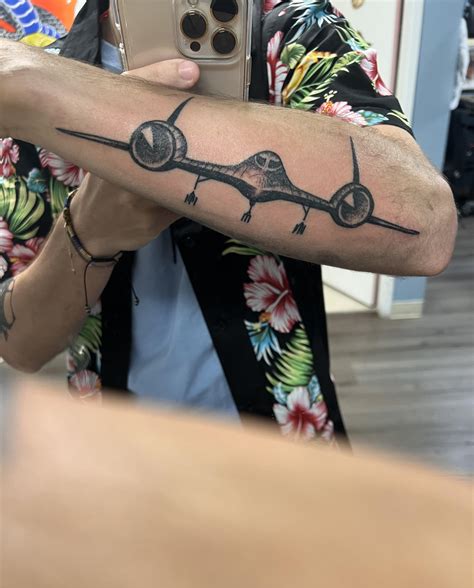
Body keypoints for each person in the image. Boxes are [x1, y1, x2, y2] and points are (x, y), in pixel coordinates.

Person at [0, 0, 457, 443]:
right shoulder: (35, 83)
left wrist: (44, 91)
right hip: (114, 450)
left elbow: (424, 226)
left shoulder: (295, 30)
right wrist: (89, 232)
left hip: (289, 438)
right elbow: (20, 346)